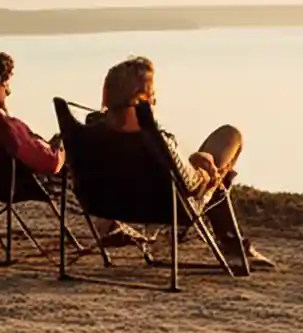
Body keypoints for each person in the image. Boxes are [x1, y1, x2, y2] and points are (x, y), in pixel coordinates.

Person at [93, 55, 276, 269]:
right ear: (141, 98)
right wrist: (204, 169)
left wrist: (193, 159)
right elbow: (191, 185)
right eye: (152, 95)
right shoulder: (154, 140)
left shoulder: (89, 133)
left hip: (111, 205)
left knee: (211, 157)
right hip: (170, 206)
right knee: (230, 136)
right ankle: (233, 247)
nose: (155, 101)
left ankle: (233, 244)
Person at [0, 52, 65, 176]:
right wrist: (62, 149)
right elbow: (50, 164)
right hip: (27, 180)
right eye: (5, 84)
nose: (8, 91)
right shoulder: (3, 126)